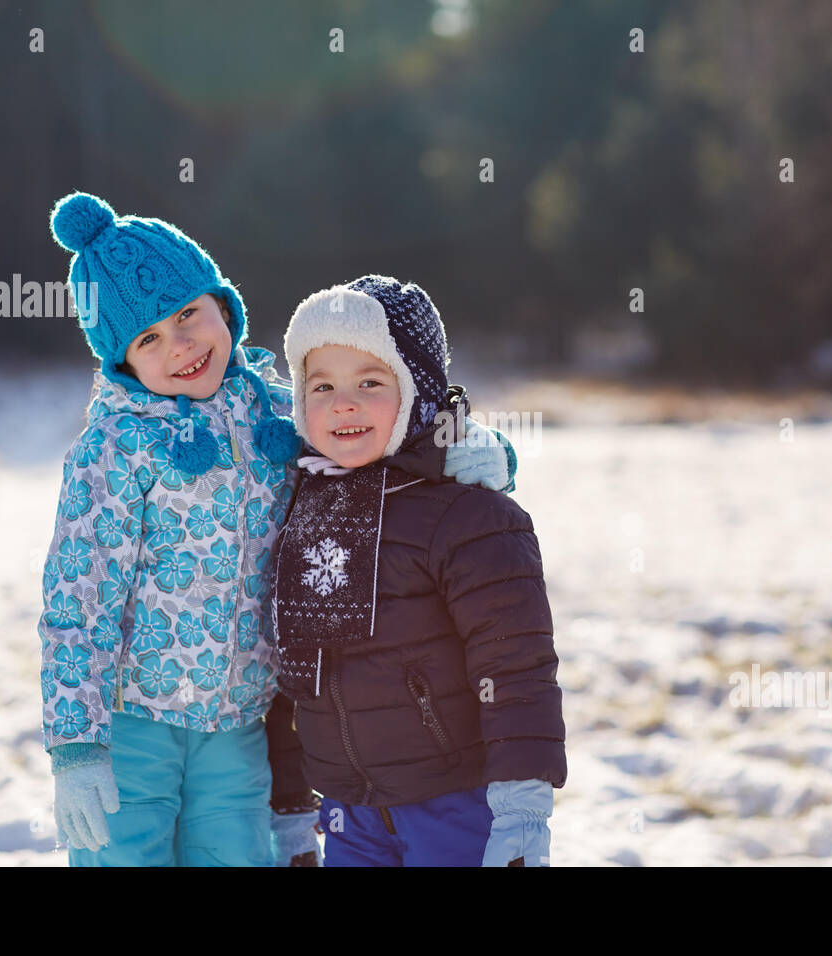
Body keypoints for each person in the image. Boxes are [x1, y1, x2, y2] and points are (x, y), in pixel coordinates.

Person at [39, 195, 512, 866]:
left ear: (222, 305)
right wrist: (75, 746)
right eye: (146, 339)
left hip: (237, 727)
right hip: (133, 721)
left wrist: (465, 449)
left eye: (186, 316)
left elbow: (366, 442)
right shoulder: (112, 448)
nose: (179, 347)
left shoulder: (272, 407)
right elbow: (75, 596)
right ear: (123, 361)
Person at [273, 274, 566, 867]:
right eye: (321, 385)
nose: (343, 402)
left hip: (456, 799)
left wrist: (522, 804)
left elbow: (515, 663)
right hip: (348, 810)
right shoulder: (301, 507)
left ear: (417, 394)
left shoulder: (469, 514)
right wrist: (290, 805)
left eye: (371, 382)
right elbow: (292, 668)